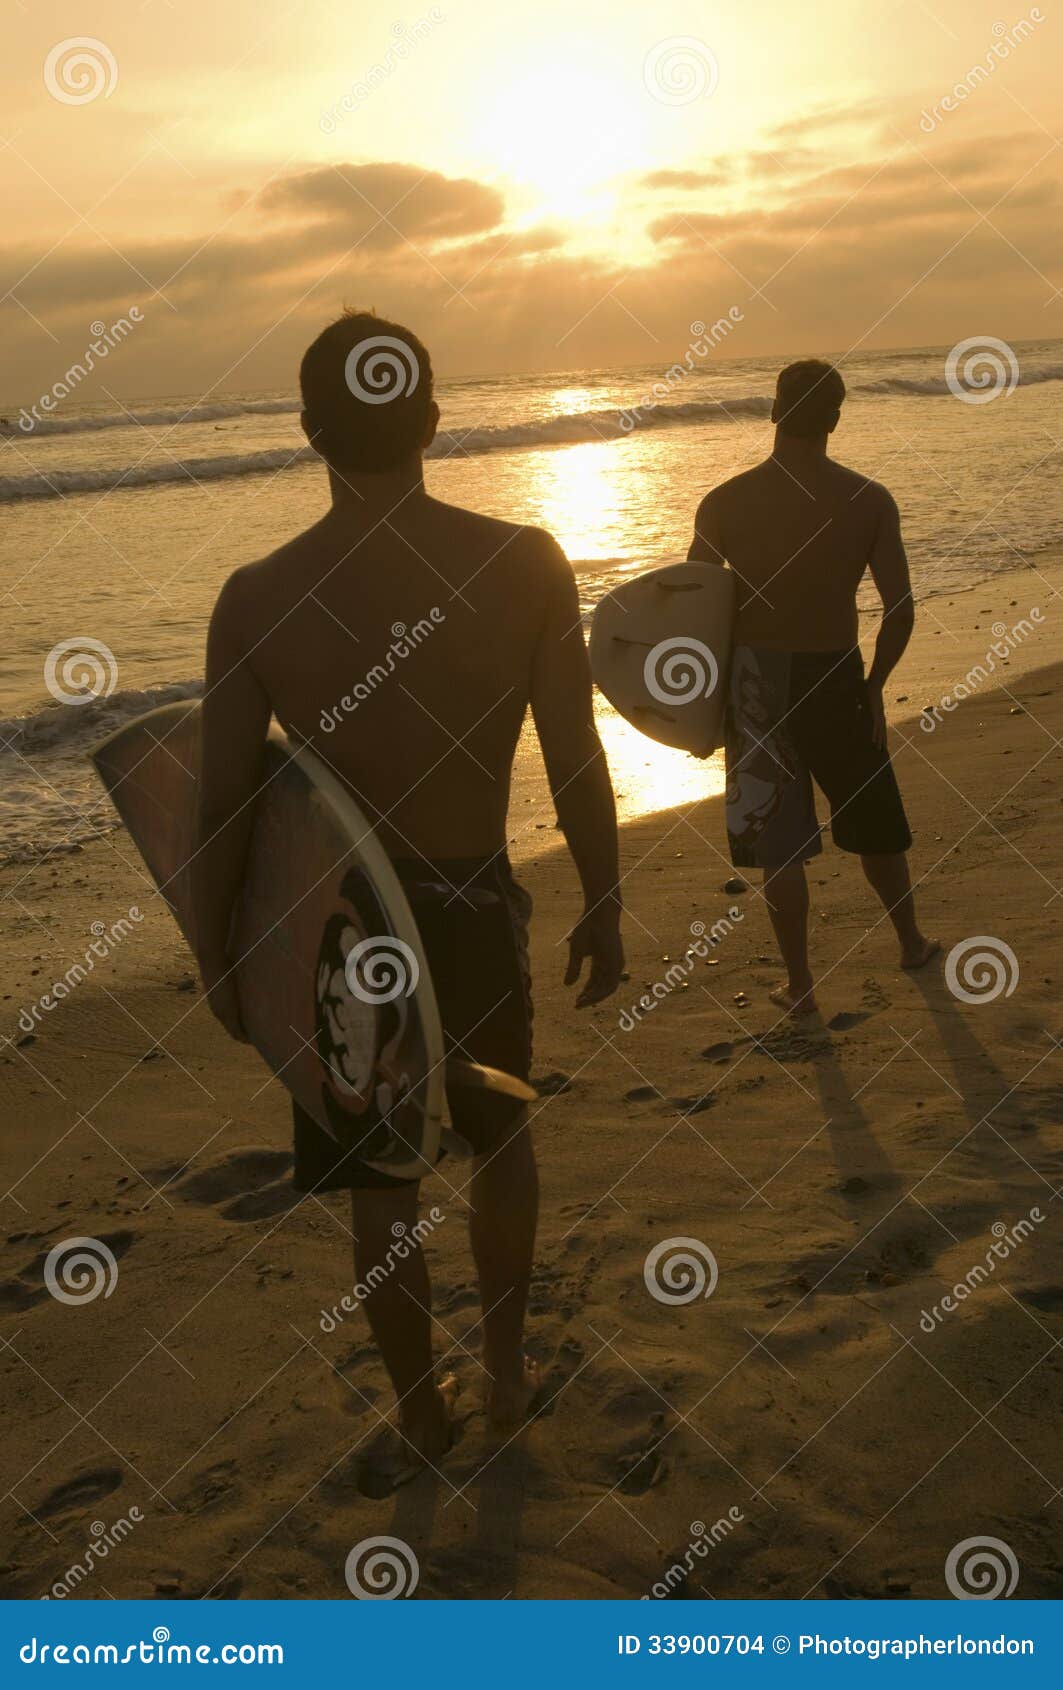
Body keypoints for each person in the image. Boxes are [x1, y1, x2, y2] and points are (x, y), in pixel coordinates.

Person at [190, 309, 624, 1468]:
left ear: (305, 432)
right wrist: (603, 897)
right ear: (434, 417)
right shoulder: (522, 562)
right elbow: (575, 756)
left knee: (379, 1174)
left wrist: (216, 959)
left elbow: (220, 807)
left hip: (344, 931)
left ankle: (420, 1411)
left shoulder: (257, 597)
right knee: (500, 1137)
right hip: (474, 899)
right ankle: (507, 1367)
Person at [688, 358, 938, 1017]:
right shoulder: (867, 500)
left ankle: (800, 987)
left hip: (754, 682)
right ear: (833, 418)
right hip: (834, 674)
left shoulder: (723, 502)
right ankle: (910, 943)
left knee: (779, 841)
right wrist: (876, 685)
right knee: (874, 822)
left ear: (774, 412)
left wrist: (699, 705)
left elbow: (691, 612)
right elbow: (901, 608)